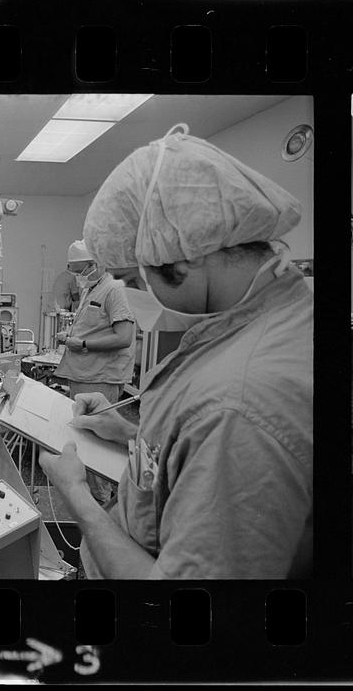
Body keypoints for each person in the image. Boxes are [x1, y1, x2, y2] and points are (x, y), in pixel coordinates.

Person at [39, 124, 313, 579]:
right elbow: (199, 465)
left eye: (130, 280)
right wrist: (131, 433)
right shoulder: (259, 318)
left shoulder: (240, 403)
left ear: (183, 258)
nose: (128, 292)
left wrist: (79, 500)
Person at [53, 238, 136, 504]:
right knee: (83, 443)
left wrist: (84, 343)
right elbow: (94, 326)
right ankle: (94, 501)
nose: (78, 277)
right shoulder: (93, 289)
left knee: (95, 447)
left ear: (96, 263)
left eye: (81, 270)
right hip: (85, 375)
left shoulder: (115, 290)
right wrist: (72, 336)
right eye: (73, 271)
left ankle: (103, 505)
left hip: (101, 378)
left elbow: (124, 336)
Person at [50, 241, 86, 312]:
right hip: (63, 310)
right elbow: (76, 298)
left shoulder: (62, 275)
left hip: (55, 307)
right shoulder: (71, 277)